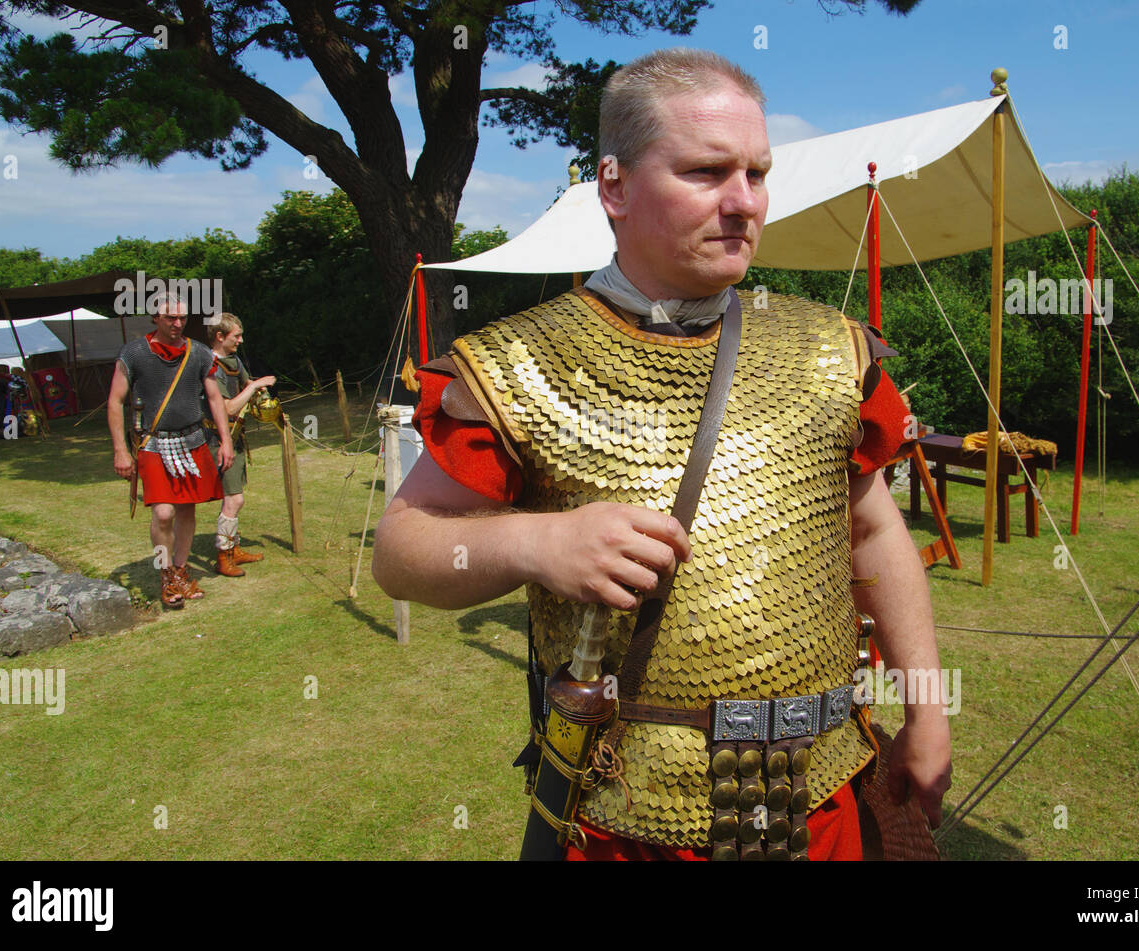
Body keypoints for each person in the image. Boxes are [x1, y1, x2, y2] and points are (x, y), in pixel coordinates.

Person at [372, 48, 951, 860]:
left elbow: (876, 533)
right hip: (625, 816)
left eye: (757, 172)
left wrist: (925, 708)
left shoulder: (829, 350)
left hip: (821, 797)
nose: (744, 202)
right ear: (614, 185)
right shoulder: (519, 367)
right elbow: (401, 552)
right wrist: (536, 542)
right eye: (708, 171)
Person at [109, 296, 234, 609]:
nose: (177, 324)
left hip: (192, 441)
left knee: (187, 510)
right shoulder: (134, 353)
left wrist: (226, 440)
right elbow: (115, 400)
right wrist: (120, 451)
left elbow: (215, 398)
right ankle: (166, 574)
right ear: (155, 317)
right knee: (163, 513)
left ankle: (180, 571)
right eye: (170, 318)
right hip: (153, 443)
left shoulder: (199, 352)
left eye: (182, 318)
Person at [203, 312, 276, 577]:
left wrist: (260, 395)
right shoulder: (211, 366)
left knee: (235, 497)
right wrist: (255, 385)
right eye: (236, 336)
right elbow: (229, 407)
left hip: (235, 436)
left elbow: (245, 386)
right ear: (220, 337)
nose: (241, 341)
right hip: (216, 440)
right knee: (234, 499)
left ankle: (233, 548)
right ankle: (224, 556)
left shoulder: (232, 361)